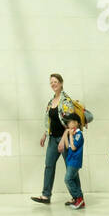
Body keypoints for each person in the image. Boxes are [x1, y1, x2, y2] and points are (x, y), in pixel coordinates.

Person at [31, 73, 82, 204]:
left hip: (65, 137)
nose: (53, 84)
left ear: (61, 83)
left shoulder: (66, 101)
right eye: (51, 82)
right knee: (49, 166)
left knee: (70, 167)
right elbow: (50, 121)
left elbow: (71, 123)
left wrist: (64, 139)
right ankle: (46, 195)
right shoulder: (50, 102)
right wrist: (45, 134)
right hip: (52, 138)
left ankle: (77, 196)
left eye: (55, 81)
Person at [59, 113, 85, 208]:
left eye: (69, 122)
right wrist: (66, 134)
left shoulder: (78, 134)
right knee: (74, 180)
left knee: (68, 179)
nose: (68, 125)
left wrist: (70, 135)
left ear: (75, 123)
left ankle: (78, 198)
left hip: (75, 161)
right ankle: (77, 199)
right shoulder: (72, 133)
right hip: (70, 160)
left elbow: (73, 147)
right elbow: (67, 146)